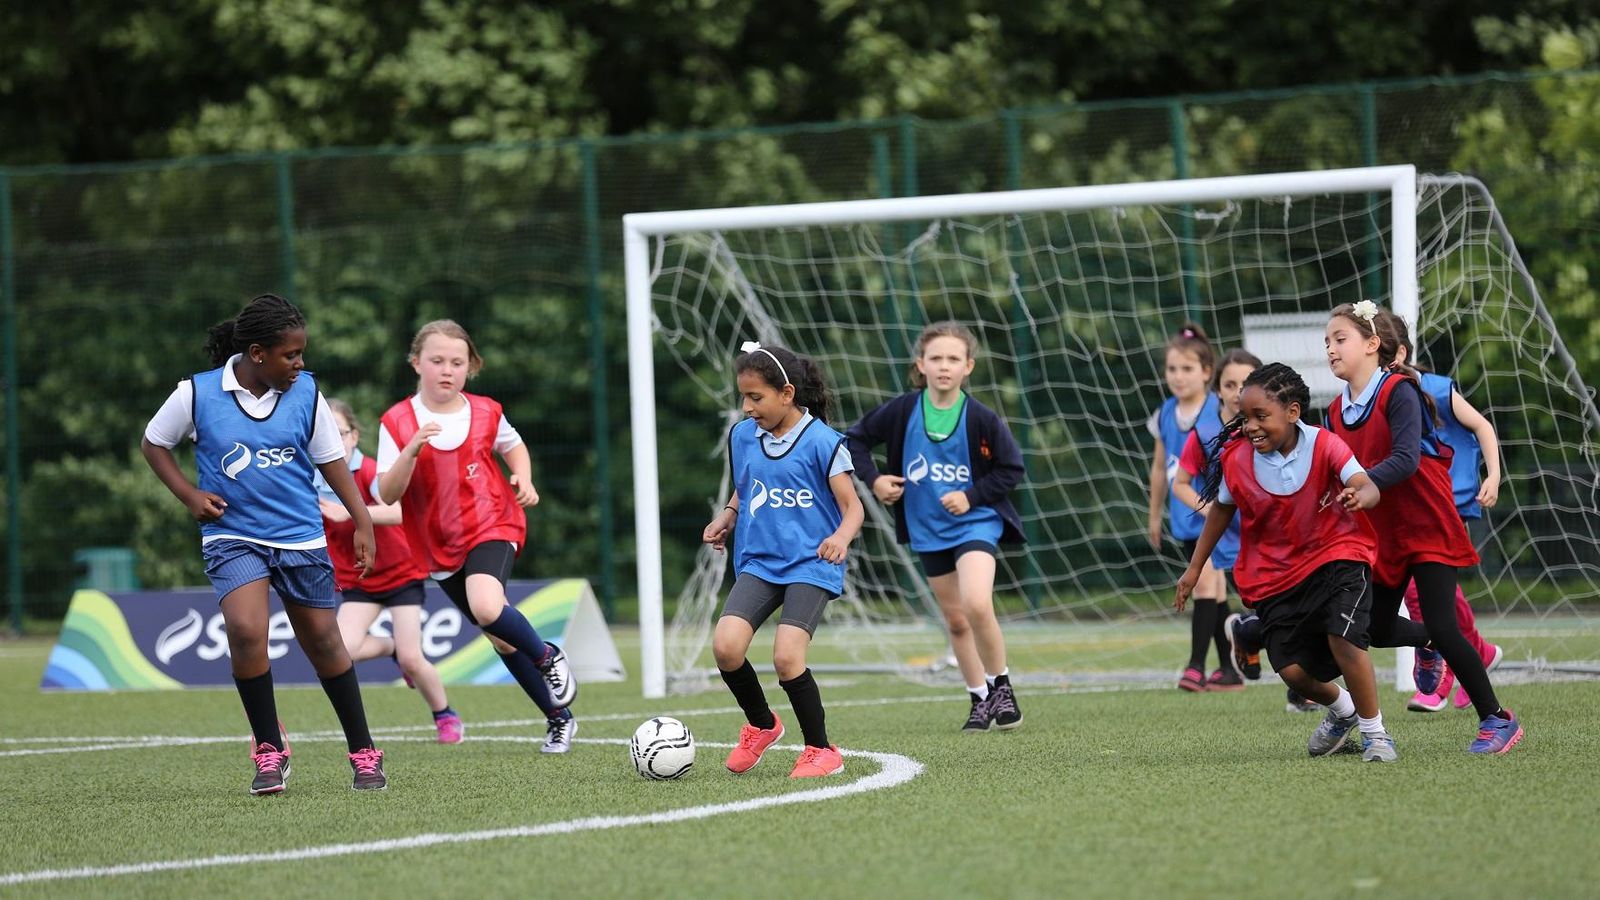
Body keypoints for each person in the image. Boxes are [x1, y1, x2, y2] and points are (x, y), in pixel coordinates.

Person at [140, 293, 387, 794]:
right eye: (290, 355)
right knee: (247, 629)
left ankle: (363, 751)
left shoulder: (307, 392)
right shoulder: (196, 393)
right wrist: (189, 495)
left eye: (300, 354)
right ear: (257, 354)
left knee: (323, 641)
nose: (300, 364)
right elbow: (153, 442)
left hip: (299, 536)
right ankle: (269, 748)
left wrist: (362, 518)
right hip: (233, 536)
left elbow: (330, 460)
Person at [1324, 300, 1523, 754]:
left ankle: (1496, 719)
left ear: (1373, 345)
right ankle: (1428, 642)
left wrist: (1365, 481)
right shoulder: (1335, 412)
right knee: (1371, 628)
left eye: (1340, 340)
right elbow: (1332, 468)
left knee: (1444, 620)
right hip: (1382, 534)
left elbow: (1406, 459)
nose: (1331, 350)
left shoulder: (1400, 390)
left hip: (1428, 522)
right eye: (1326, 343)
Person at [1177, 363, 1397, 762]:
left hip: (1338, 556)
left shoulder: (1325, 444)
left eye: (1261, 416)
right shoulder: (1237, 459)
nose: (1251, 427)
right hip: (1277, 576)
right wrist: (1194, 569)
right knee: (1294, 672)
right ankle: (1343, 710)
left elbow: (1364, 484)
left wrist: (1360, 496)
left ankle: (1375, 734)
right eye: (1245, 418)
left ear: (1293, 412)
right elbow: (1221, 511)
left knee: (1343, 639)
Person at [375, 320, 577, 753]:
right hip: (437, 545)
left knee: (488, 608)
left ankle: (548, 657)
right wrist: (410, 450)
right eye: (436, 361)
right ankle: (558, 717)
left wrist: (523, 477)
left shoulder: (486, 411)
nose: (447, 370)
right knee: (500, 637)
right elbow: (387, 493)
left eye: (457, 362)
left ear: (471, 368)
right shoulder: (396, 421)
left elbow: (514, 446)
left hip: (492, 523)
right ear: (416, 363)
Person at [846, 322, 1028, 732]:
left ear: (968, 367)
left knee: (977, 603)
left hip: (975, 524)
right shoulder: (902, 411)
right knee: (956, 620)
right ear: (920, 365)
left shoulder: (981, 418)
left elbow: (1011, 468)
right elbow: (854, 440)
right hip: (927, 528)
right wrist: (874, 479)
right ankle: (979, 698)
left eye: (953, 359)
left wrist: (973, 496)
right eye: (936, 358)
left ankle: (1001, 685)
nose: (944, 366)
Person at [702, 341, 864, 778]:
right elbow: (748, 485)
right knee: (726, 647)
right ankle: (761, 725)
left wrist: (841, 537)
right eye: (743, 397)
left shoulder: (823, 442)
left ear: (787, 394)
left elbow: (853, 507)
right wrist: (729, 515)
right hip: (759, 560)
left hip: (811, 563)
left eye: (756, 398)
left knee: (787, 658)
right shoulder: (742, 435)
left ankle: (821, 750)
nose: (747, 407)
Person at [319, 397, 463, 744]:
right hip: (360, 579)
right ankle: (391, 649)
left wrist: (350, 513)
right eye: (326, 433)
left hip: (401, 572)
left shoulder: (367, 470)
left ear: (354, 436)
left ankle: (445, 714)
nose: (334, 440)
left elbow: (399, 512)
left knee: (414, 660)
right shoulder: (313, 475)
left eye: (340, 432)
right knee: (341, 651)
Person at [1383, 313, 1505, 712]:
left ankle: (1442, 672)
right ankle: (1478, 653)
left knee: (1424, 592)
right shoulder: (1367, 397)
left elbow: (1483, 426)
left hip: (1447, 501)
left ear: (1398, 353)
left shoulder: (1435, 388)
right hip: (1405, 508)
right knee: (1438, 593)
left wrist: (1494, 476)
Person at [1171, 347, 1258, 694]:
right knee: (1208, 585)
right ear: (1218, 390)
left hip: (1263, 535)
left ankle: (1240, 652)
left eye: (1246, 384)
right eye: (1230, 384)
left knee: (1264, 604)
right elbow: (1179, 483)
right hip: (1222, 535)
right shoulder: (1204, 432)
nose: (1238, 392)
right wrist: (1211, 511)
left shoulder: (1271, 428)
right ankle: (1198, 666)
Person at [1145, 322, 1224, 691]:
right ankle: (1231, 667)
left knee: (1207, 583)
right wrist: (1153, 515)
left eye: (1187, 369)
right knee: (1215, 587)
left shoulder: (1217, 409)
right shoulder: (1164, 413)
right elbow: (1160, 467)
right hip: (1184, 514)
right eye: (1172, 369)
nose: (1178, 376)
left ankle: (1195, 667)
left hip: (1218, 512)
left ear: (1207, 372)